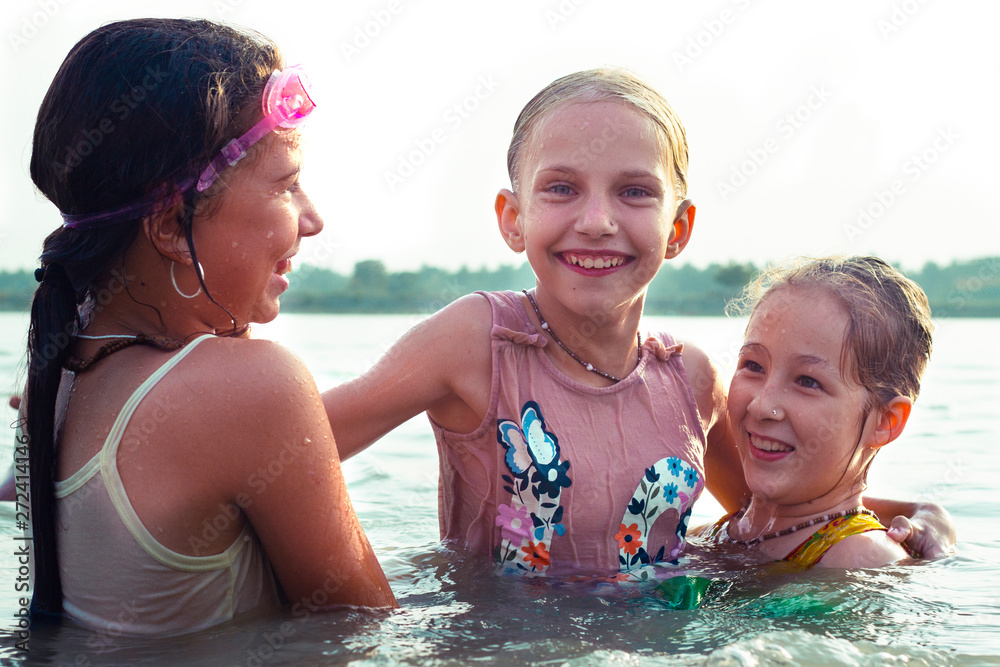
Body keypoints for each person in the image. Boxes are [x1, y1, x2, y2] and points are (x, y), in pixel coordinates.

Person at [323, 69, 952, 582]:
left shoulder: (693, 379)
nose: (596, 220)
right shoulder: (479, 343)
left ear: (678, 229)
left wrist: (924, 514)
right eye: (562, 188)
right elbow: (296, 438)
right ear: (513, 217)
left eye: (634, 192)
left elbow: (773, 513)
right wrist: (351, 582)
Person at [22, 18, 395, 634]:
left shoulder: (59, 357)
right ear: (171, 227)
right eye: (287, 184)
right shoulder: (253, 386)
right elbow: (362, 626)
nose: (312, 219)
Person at [704, 256, 935, 569]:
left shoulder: (860, 559)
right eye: (753, 365)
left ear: (885, 422)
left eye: (807, 381)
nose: (760, 405)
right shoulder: (712, 537)